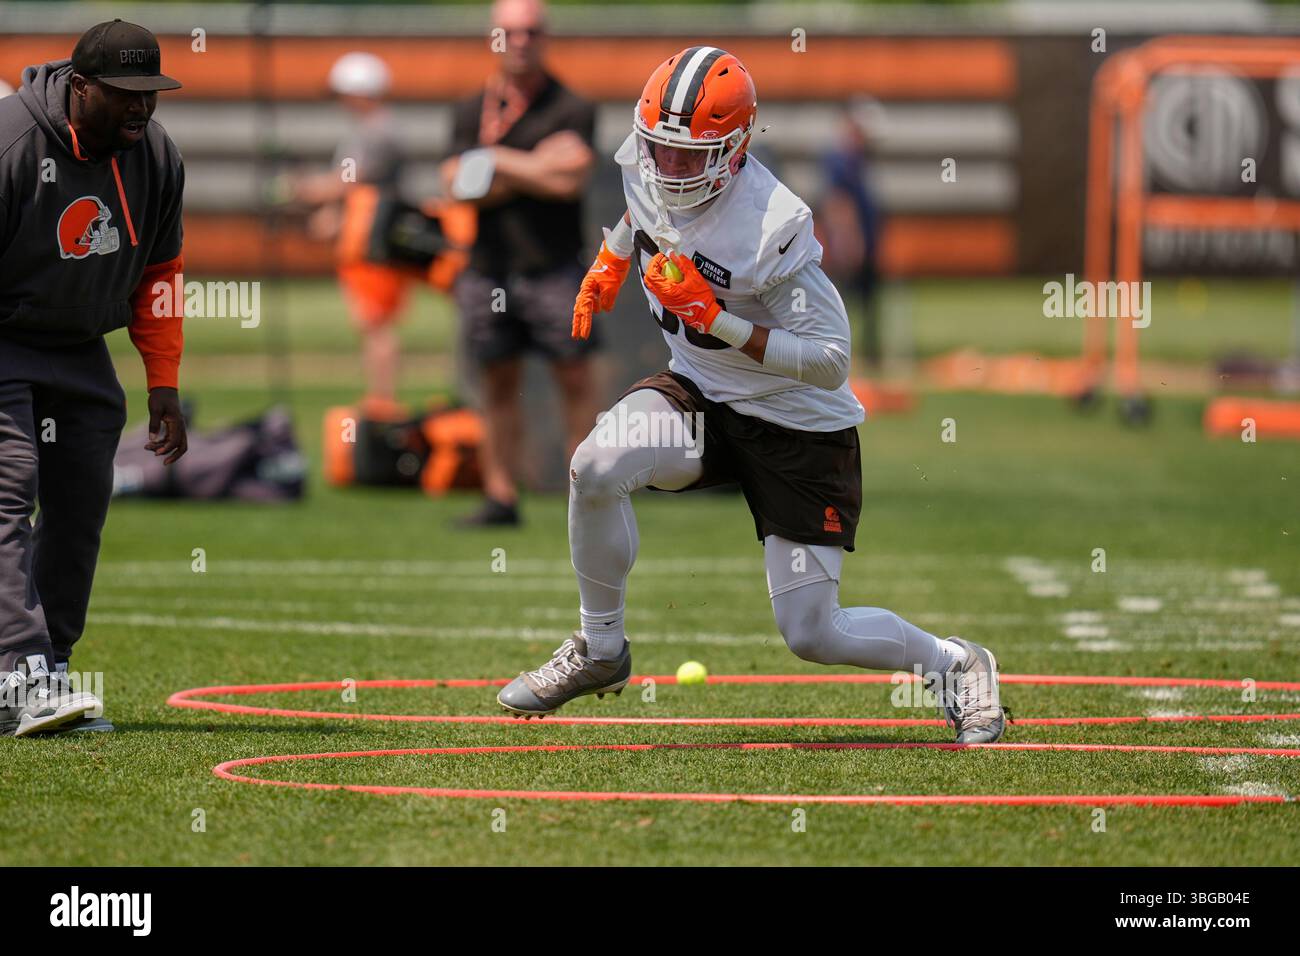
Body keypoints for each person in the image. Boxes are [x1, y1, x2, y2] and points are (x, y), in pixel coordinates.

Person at [497, 47, 1005, 743]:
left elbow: (830, 361)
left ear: (735, 149)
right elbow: (642, 211)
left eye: (689, 156)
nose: (670, 169)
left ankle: (953, 663)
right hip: (701, 397)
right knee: (595, 465)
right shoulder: (654, 165)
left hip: (797, 426)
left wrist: (719, 321)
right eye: (661, 151)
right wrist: (611, 261)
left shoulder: (771, 224)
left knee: (813, 632)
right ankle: (600, 650)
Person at [0, 19, 188, 736]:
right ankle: (19, 673)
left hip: (80, 345)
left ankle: (47, 666)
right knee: (7, 487)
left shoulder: (157, 156)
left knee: (80, 505)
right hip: (4, 338)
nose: (141, 108)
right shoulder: (11, 145)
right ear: (80, 87)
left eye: (152, 94)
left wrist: (162, 382)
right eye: (124, 94)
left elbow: (162, 274)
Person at [442, 0, 598, 527]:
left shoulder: (573, 105)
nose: (521, 41)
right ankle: (501, 496)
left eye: (530, 31)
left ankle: (586, 494)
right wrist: (535, 165)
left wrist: (492, 162)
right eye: (510, 32)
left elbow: (569, 180)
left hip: (554, 267)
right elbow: (456, 188)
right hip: (488, 268)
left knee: (574, 379)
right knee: (497, 384)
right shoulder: (470, 108)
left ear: (544, 36)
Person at [289, 51, 410, 409]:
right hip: (365, 239)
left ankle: (382, 401)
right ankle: (377, 398)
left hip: (376, 242)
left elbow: (349, 184)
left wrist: (302, 189)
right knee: (370, 323)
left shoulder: (378, 132)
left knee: (377, 324)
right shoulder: (372, 131)